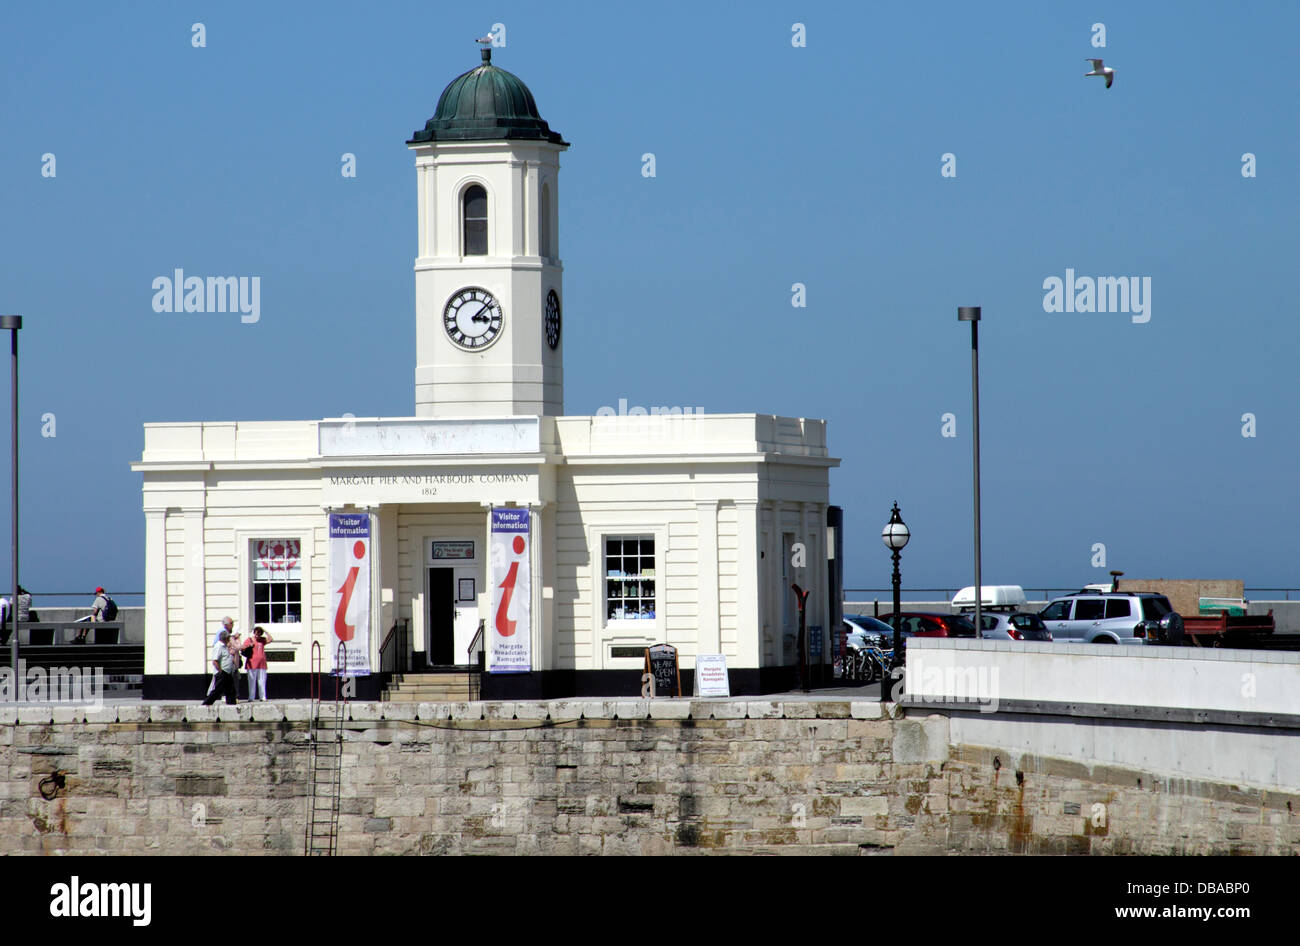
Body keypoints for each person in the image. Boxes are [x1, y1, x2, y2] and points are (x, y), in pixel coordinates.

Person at [201, 628, 238, 705]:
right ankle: (206, 704)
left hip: (228, 672)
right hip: (222, 672)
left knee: (231, 690)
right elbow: (215, 660)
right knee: (217, 691)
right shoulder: (219, 646)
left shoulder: (225, 646)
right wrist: (220, 671)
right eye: (228, 638)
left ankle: (231, 705)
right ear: (225, 638)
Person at [244, 626, 272, 701]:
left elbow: (270, 639)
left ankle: (262, 696)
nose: (257, 636)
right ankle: (251, 697)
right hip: (252, 663)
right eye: (256, 634)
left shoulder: (262, 640)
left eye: (259, 634)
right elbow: (243, 647)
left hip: (262, 663)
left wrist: (266, 632)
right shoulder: (250, 639)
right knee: (252, 681)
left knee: (262, 681)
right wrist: (249, 645)